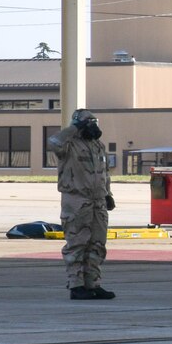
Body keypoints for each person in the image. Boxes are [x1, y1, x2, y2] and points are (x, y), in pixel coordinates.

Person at [48, 109, 117, 300]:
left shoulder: (98, 146)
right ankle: (76, 285)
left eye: (95, 122)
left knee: (97, 244)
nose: (93, 127)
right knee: (77, 244)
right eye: (88, 123)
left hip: (98, 202)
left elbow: (105, 173)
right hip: (77, 200)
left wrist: (108, 194)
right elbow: (54, 143)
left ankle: (92, 284)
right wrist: (73, 129)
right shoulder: (68, 145)